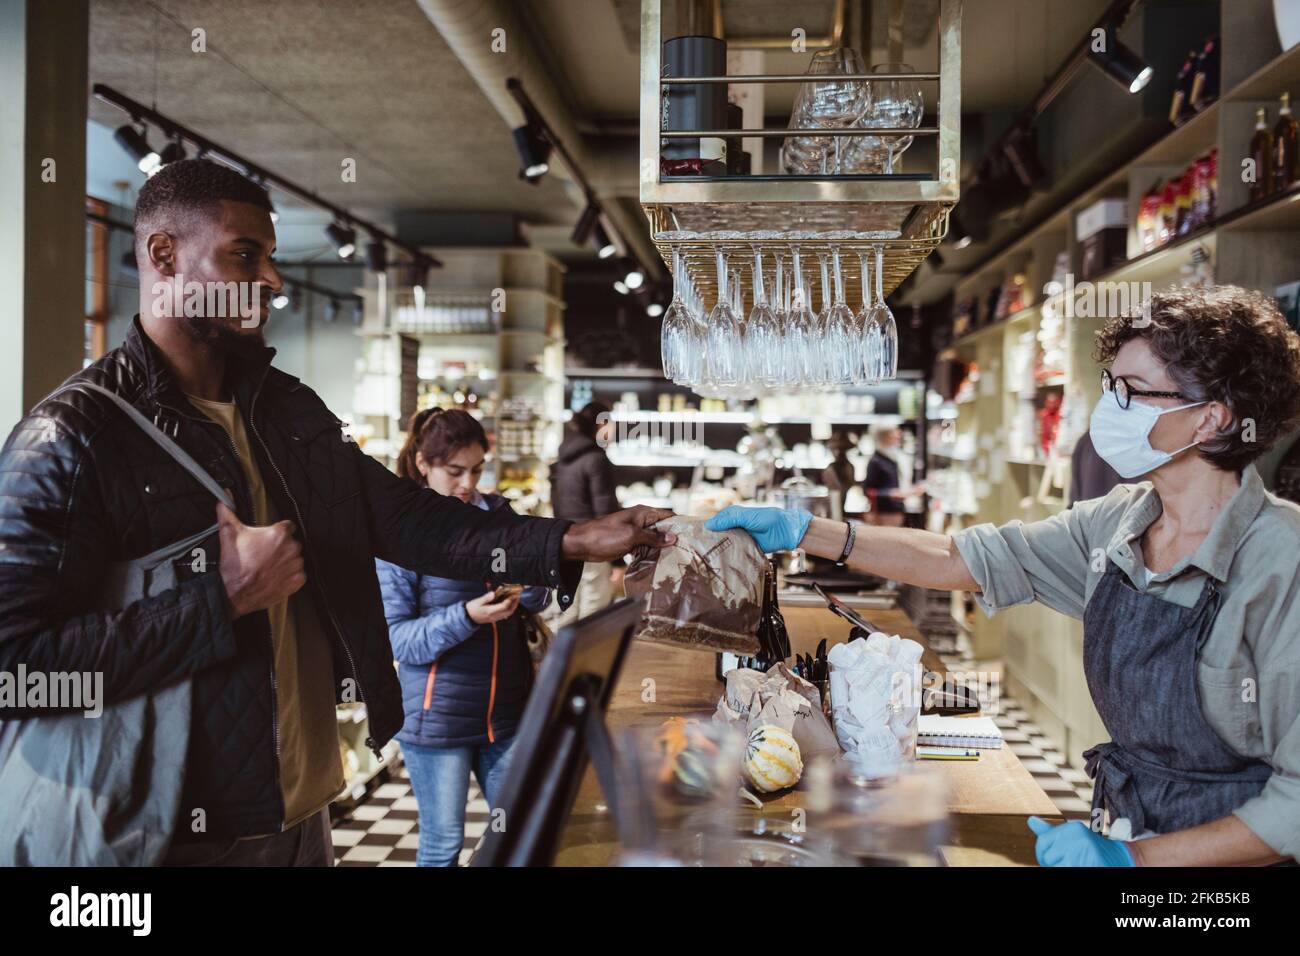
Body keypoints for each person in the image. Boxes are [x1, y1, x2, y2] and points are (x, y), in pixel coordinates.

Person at [0, 159, 673, 867]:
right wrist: (222, 597)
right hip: (163, 834)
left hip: (298, 810)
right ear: (163, 255)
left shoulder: (286, 411)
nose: (272, 281)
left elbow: (413, 521)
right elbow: (14, 668)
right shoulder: (74, 436)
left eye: (271, 257)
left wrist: (571, 539)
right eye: (244, 255)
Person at [709, 287, 1300, 867]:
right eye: (1110, 386)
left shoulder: (1282, 561)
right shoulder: (1118, 524)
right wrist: (804, 530)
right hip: (1123, 826)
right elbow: (958, 557)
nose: (1109, 406)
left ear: (1211, 419)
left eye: (1134, 392)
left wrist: (1137, 860)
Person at [376, 409, 549, 866]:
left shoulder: (499, 517)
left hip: (506, 714)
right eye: (454, 472)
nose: (467, 484)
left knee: (520, 839)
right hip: (437, 722)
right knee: (442, 845)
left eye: (476, 470)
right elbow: (399, 641)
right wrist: (468, 616)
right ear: (422, 464)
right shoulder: (399, 535)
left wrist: (530, 587)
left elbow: (540, 596)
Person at [549, 402, 620, 625]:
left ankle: (561, 657)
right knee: (594, 606)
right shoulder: (596, 459)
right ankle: (587, 659)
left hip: (564, 539)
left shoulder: (564, 456)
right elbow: (606, 511)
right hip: (593, 542)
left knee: (568, 605)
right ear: (602, 425)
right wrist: (617, 558)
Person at [862, 423, 914, 526]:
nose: (898, 434)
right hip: (884, 513)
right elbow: (867, 490)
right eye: (894, 432)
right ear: (884, 436)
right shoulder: (876, 461)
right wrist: (891, 494)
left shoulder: (894, 456)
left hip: (897, 509)